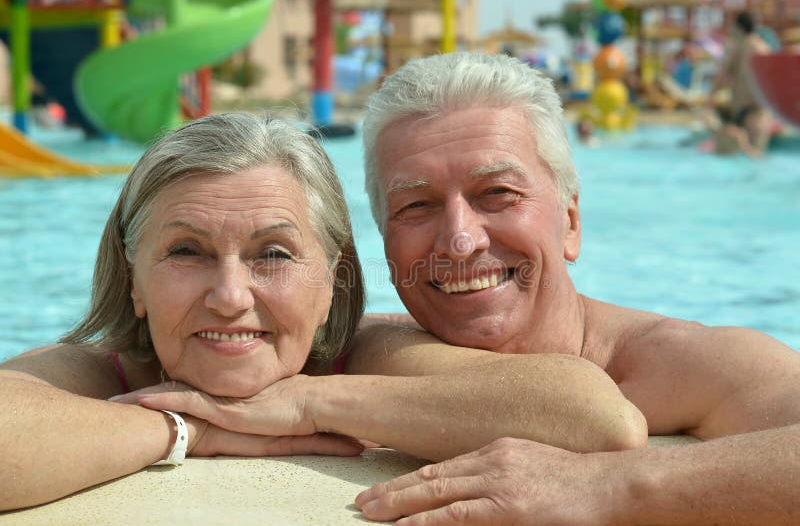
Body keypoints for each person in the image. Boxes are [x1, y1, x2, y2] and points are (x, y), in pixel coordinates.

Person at [0, 112, 645, 511]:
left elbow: (598, 417)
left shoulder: (360, 358)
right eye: (187, 252)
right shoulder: (104, 372)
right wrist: (186, 430)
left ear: (332, 283)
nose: (230, 296)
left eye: (273, 254)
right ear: (134, 281)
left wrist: (310, 402)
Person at [342, 52, 799, 524]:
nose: (460, 240)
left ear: (571, 222)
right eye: (416, 205)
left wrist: (608, 485)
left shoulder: (686, 366)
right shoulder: (371, 349)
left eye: (498, 193)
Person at [711, 11, 773, 154]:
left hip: (741, 108)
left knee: (729, 154)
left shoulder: (738, 47)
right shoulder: (765, 48)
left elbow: (721, 76)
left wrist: (709, 100)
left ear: (738, 27)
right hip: (761, 111)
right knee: (756, 155)